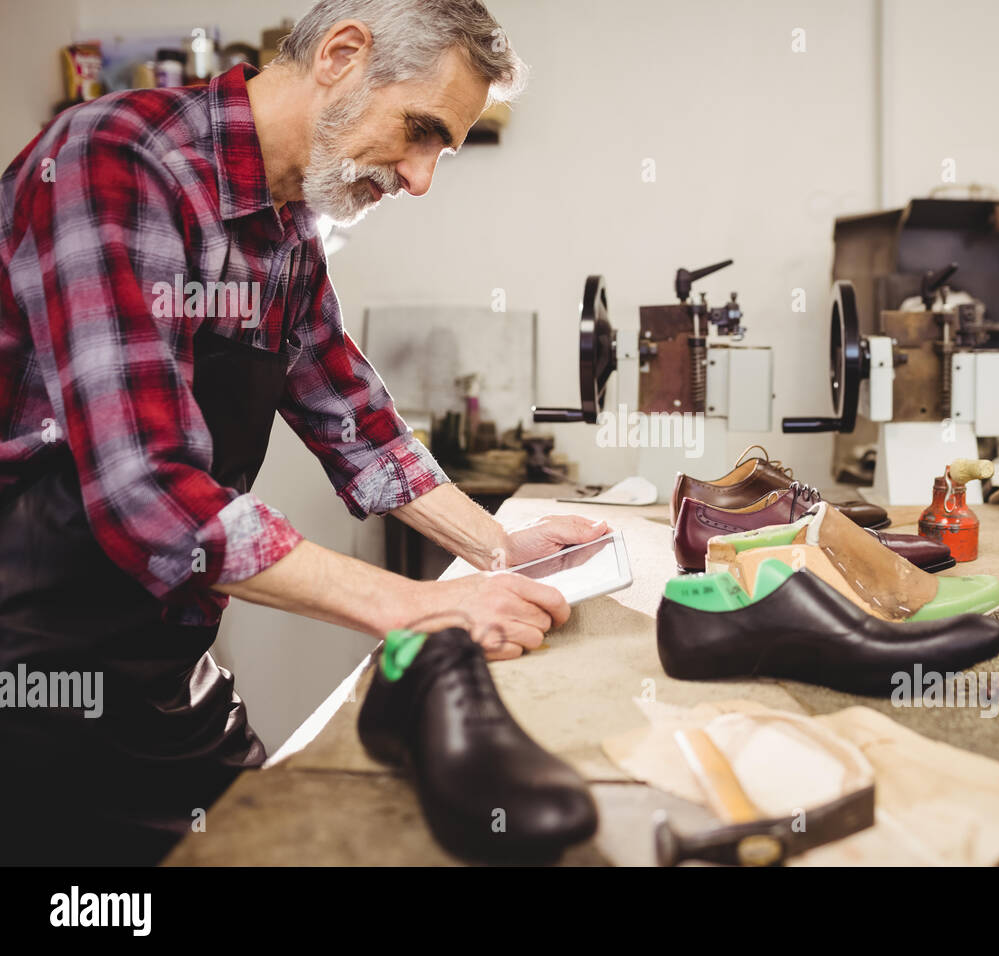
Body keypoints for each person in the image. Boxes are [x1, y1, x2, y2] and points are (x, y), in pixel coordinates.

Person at [0, 0, 604, 864]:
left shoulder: (289, 222)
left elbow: (355, 419)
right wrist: (415, 605)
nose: (422, 178)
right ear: (343, 54)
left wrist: (499, 548)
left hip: (163, 661)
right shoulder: (114, 160)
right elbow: (149, 493)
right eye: (420, 130)